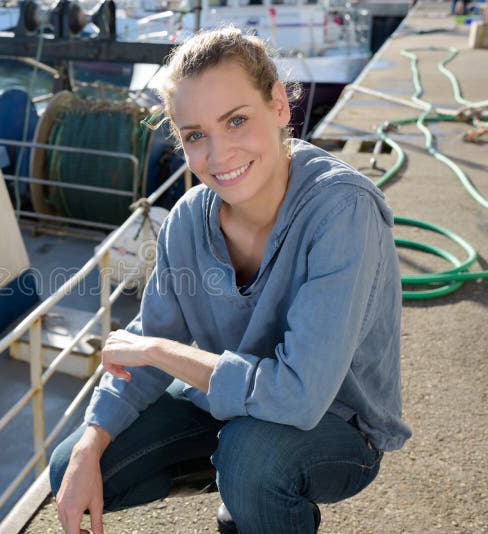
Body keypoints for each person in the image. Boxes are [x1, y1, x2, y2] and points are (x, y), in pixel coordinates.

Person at [49, 27, 411, 534]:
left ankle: (256, 493)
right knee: (72, 467)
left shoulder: (342, 211)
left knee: (253, 461)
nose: (218, 156)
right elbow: (146, 348)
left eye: (236, 120)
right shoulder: (187, 221)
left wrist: (157, 351)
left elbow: (299, 396)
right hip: (238, 406)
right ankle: (247, 490)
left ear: (279, 106)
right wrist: (91, 440)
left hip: (337, 423)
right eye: (196, 135)